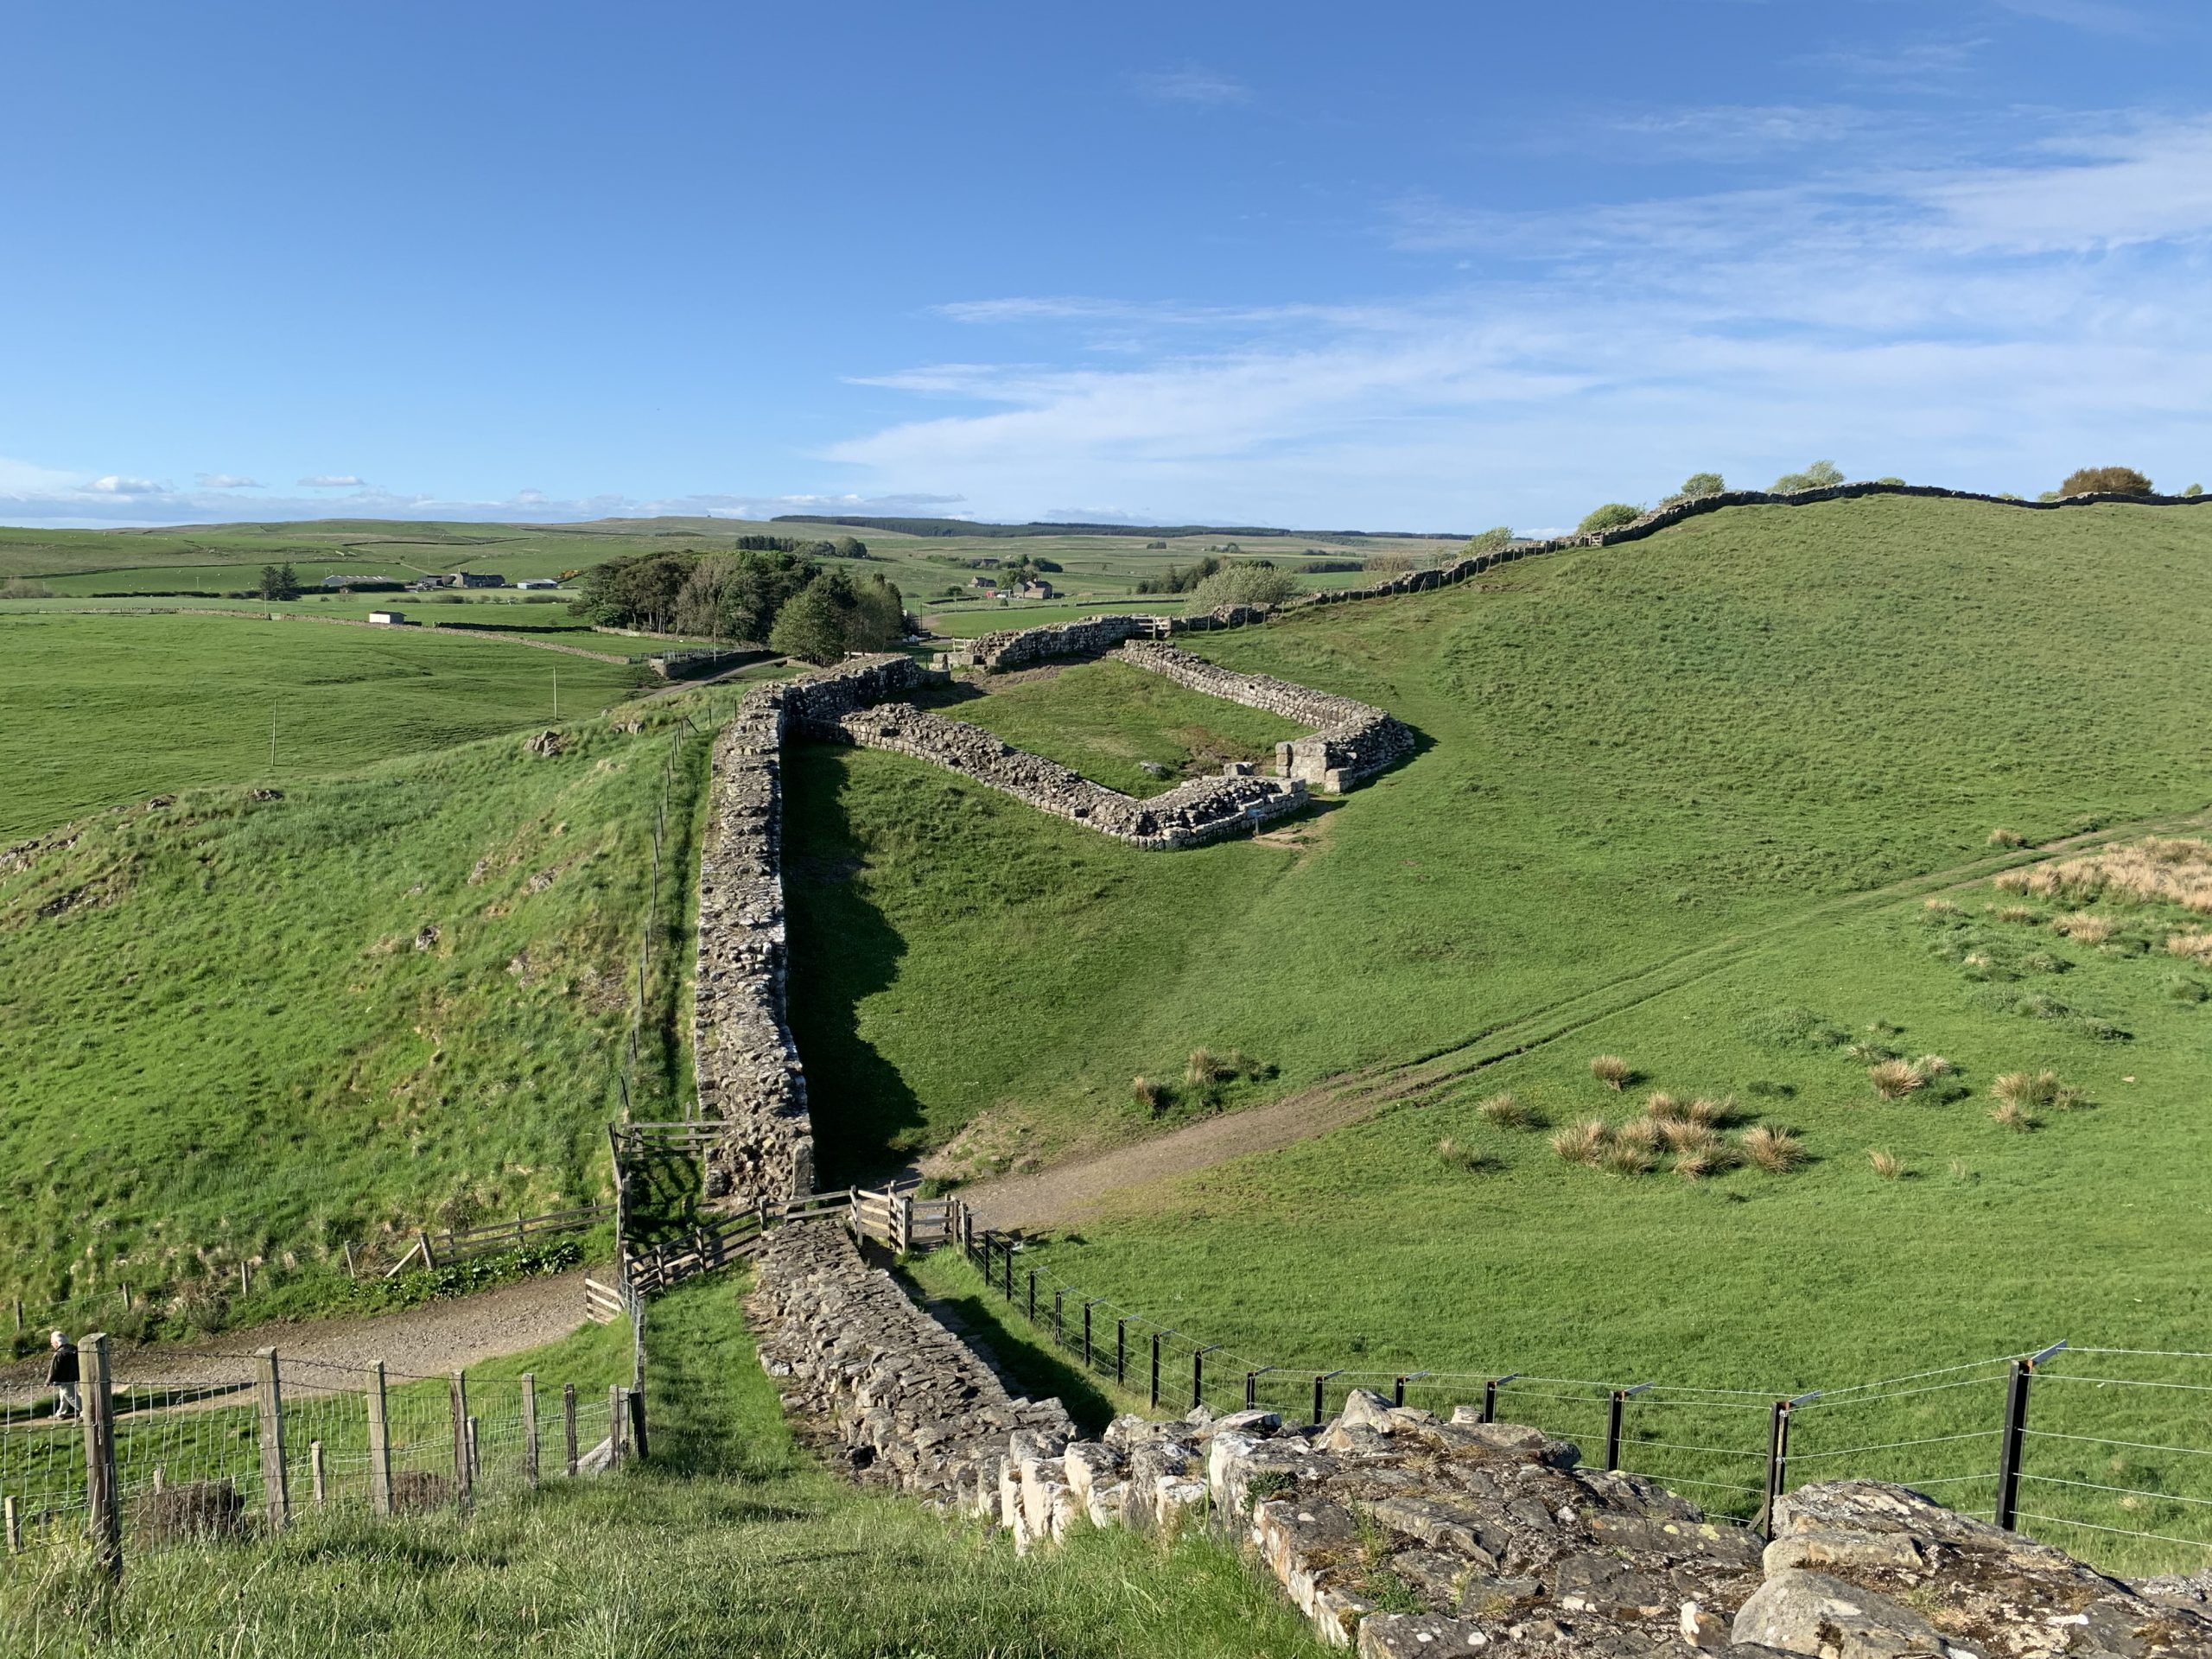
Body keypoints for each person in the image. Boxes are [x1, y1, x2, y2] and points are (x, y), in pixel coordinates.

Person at [47, 1331, 79, 1420]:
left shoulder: (59, 1353)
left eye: (52, 1343)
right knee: (63, 1394)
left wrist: (49, 1381)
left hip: (64, 1378)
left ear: (57, 1342)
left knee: (70, 1395)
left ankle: (85, 1411)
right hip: (75, 1376)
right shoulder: (74, 1349)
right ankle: (60, 1413)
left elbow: (54, 1368)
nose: (52, 1345)